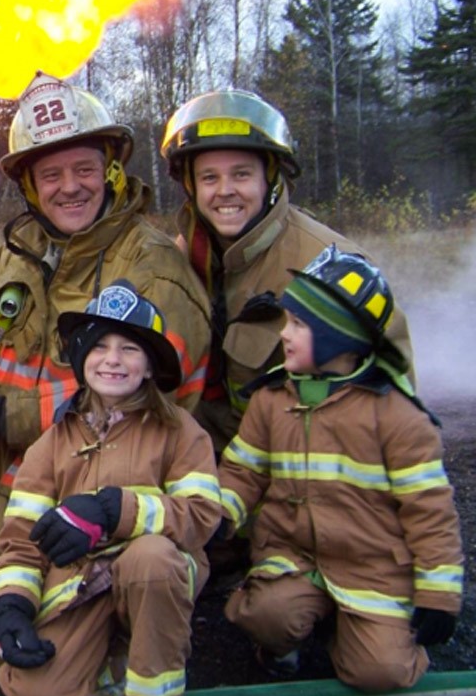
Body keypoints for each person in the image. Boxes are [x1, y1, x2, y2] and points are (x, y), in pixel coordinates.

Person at [0, 72, 211, 660]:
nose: (68, 188)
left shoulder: (151, 265)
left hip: (103, 472)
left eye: (83, 169)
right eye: (50, 175)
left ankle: (120, 616)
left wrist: (5, 413)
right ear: (29, 185)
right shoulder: (19, 251)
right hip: (23, 458)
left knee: (0, 648)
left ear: (110, 169)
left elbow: (154, 397)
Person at [218, 245, 462, 692]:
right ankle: (287, 643)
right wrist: (220, 513)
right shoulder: (271, 399)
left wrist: (438, 597)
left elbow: (430, 513)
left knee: (380, 673)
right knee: (265, 616)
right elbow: (242, 471)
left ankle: (362, 633)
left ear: (340, 340)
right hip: (292, 554)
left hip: (370, 566)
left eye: (299, 325)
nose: (284, 334)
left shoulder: (399, 417)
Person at [0, 280, 219, 696]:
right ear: (81, 361)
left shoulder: (181, 433)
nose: (112, 360)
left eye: (130, 349)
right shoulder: (54, 441)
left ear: (151, 367)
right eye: (99, 347)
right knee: (36, 693)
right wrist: (12, 607)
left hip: (157, 578)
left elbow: (202, 515)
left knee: (150, 558)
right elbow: (21, 537)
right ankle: (116, 660)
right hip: (82, 584)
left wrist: (115, 511)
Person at [160, 89, 414, 455]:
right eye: (209, 178)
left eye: (241, 175)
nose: (225, 191)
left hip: (294, 486)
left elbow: (391, 411)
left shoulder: (332, 266)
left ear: (271, 179)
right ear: (191, 186)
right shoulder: (175, 262)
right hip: (205, 480)